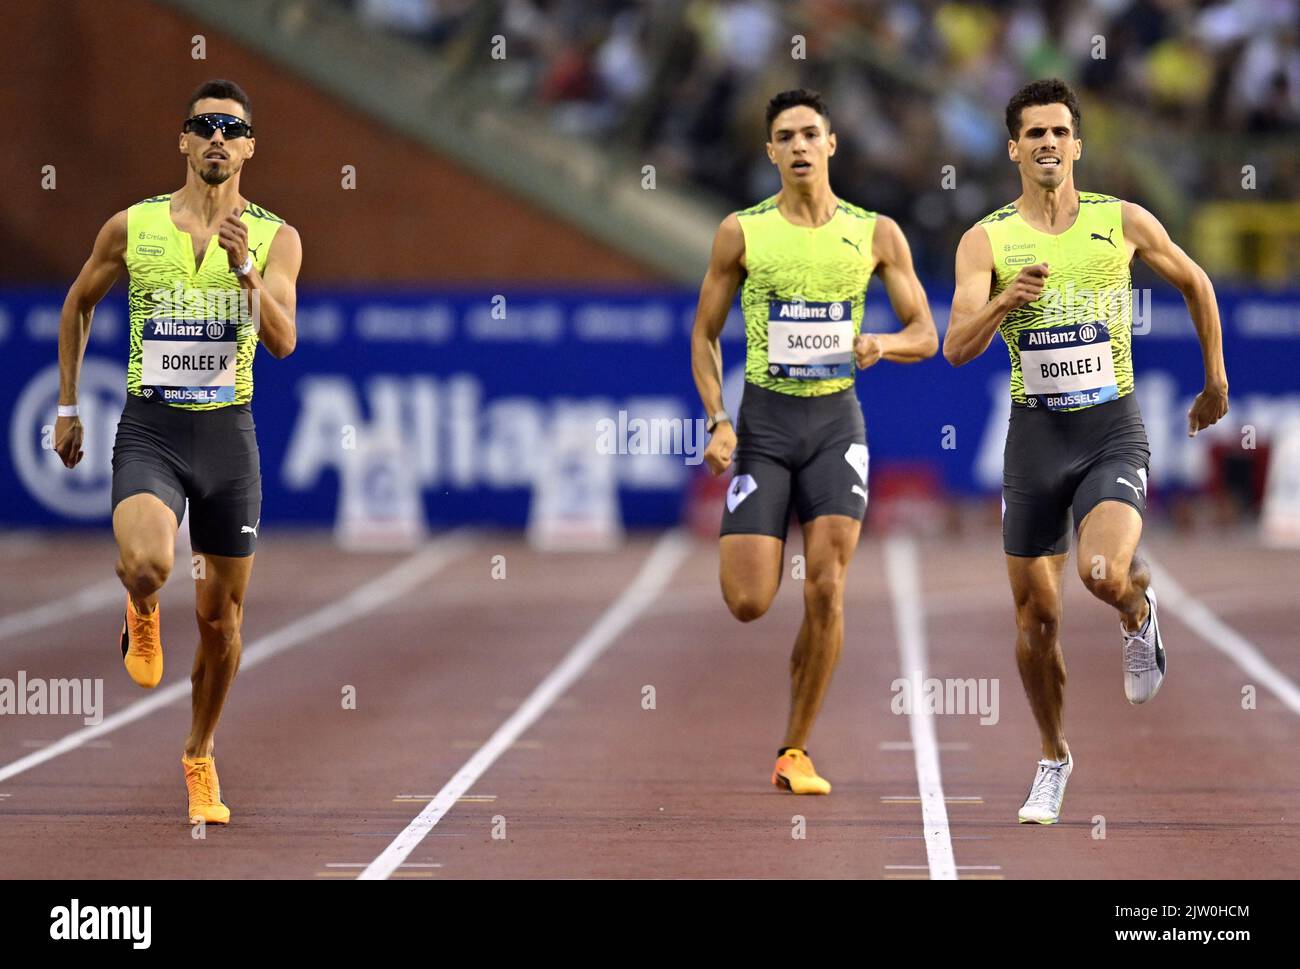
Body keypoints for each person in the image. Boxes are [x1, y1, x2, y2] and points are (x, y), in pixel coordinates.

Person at [944, 78, 1229, 823]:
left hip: (1109, 428)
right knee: (1037, 618)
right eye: (1033, 132)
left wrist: (1216, 380)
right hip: (1034, 440)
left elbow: (1197, 281)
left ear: (1076, 143)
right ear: (1012, 147)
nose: (1047, 143)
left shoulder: (1121, 221)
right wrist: (1005, 299)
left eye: (1059, 131)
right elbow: (955, 348)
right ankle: (1052, 755)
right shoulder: (987, 240)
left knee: (1101, 572)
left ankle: (1138, 610)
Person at [53, 79, 302, 825]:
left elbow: (285, 341)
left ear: (251, 146)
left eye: (233, 127)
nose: (219, 137)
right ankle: (139, 605)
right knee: (149, 562)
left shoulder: (274, 237)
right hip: (153, 428)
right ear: (184, 142)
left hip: (229, 435)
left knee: (222, 622)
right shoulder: (132, 226)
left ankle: (199, 753)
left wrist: (247, 275)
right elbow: (79, 303)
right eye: (205, 126)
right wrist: (68, 405)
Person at [691, 89, 938, 794]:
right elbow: (704, 334)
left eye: (809, 134)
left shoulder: (875, 233)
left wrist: (880, 344)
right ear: (770, 152)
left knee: (828, 587)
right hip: (765, 427)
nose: (798, 146)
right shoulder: (740, 232)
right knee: (748, 599)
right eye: (784, 136)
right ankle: (795, 713)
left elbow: (927, 333)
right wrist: (717, 419)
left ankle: (794, 748)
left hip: (836, 426)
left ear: (832, 144)